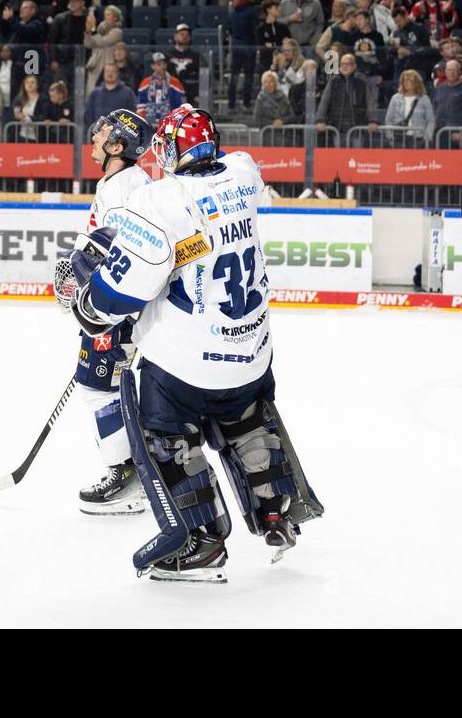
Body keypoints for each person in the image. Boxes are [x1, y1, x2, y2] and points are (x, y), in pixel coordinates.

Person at [66, 106, 322, 581]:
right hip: (252, 352)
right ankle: (274, 509)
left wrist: (89, 298)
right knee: (242, 419)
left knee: (166, 435)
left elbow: (122, 292)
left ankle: (200, 542)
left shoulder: (162, 200)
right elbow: (197, 237)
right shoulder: (244, 174)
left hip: (188, 363)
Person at [60, 109, 154, 515]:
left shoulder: (124, 187)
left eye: (103, 133)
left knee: (97, 388)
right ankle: (137, 470)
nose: (94, 135)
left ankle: (127, 478)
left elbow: (121, 249)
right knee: (112, 388)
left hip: (115, 309)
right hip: (120, 306)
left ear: (117, 146)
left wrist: (94, 295)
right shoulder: (124, 181)